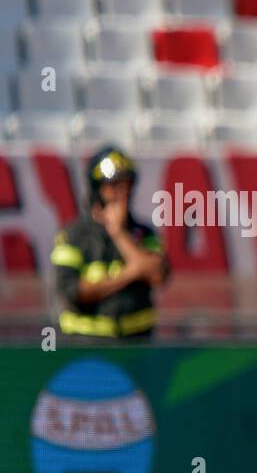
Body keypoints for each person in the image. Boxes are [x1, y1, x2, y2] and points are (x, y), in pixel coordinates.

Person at [51, 146, 169, 341]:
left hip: (137, 346)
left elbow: (157, 275)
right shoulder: (73, 236)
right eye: (114, 185)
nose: (122, 193)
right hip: (85, 346)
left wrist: (119, 233)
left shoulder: (144, 232)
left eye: (127, 184)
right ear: (97, 188)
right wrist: (130, 274)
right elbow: (73, 291)